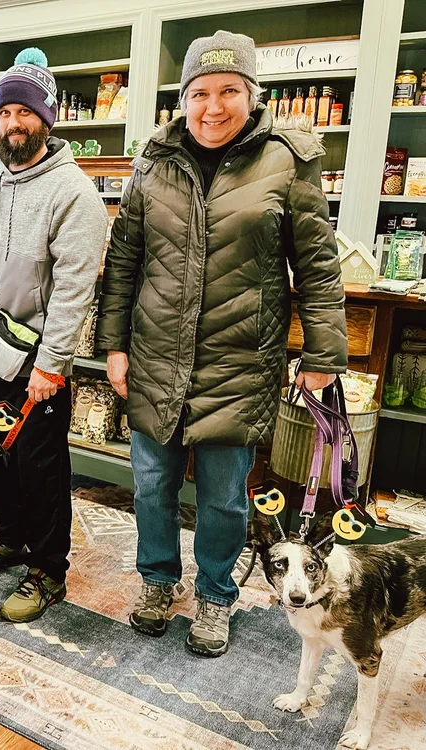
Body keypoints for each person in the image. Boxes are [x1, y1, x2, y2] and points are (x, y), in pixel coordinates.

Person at [95, 30, 348, 657]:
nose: (213, 107)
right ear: (183, 98)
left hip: (241, 362)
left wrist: (323, 357)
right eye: (200, 93)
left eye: (228, 91)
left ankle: (214, 593)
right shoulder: (153, 160)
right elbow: (124, 260)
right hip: (155, 356)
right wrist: (114, 345)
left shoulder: (288, 161)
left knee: (224, 497)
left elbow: (318, 267)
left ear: (251, 93)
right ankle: (158, 580)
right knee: (151, 485)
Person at [0, 49, 107, 623]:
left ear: (48, 118)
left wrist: (52, 364)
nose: (13, 123)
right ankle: (10, 534)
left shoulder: (75, 195)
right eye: (5, 111)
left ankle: (48, 570)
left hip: (37, 359)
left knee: (40, 466)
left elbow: (73, 290)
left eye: (25, 112)